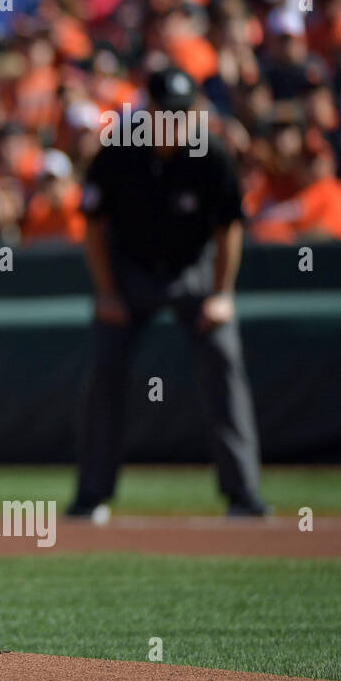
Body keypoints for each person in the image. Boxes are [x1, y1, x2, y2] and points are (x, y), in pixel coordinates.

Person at [70, 67, 269, 520]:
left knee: (223, 359)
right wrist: (106, 293)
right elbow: (94, 227)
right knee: (105, 369)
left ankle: (244, 496)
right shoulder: (119, 151)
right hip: (129, 273)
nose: (173, 122)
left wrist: (222, 293)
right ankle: (91, 497)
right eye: (164, 112)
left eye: (181, 113)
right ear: (148, 111)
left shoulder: (211, 153)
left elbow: (228, 228)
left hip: (193, 273)